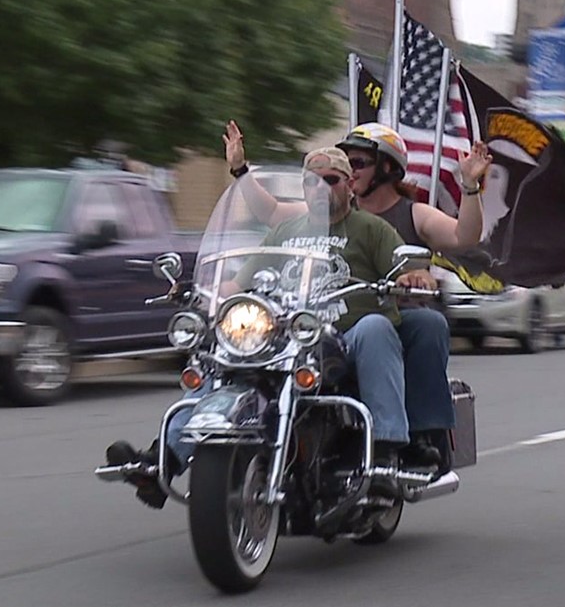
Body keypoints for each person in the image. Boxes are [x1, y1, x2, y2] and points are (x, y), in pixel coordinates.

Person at [105, 146, 432, 508]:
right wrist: (203, 295)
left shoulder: (371, 228)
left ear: (350, 185)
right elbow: (238, 284)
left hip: (345, 335)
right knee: (224, 355)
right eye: (311, 181)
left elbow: (407, 270)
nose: (320, 188)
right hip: (288, 333)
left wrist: (415, 276)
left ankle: (384, 452)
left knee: (376, 327)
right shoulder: (285, 231)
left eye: (331, 180)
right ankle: (162, 462)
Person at [221, 120, 490, 472]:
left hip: (386, 311)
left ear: (386, 168)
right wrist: (241, 170)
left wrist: (469, 187)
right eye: (314, 180)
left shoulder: (404, 217)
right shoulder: (307, 218)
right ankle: (185, 444)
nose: (348, 171)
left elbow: (464, 236)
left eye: (357, 164)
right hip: (309, 325)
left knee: (425, 324)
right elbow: (269, 213)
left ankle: (415, 436)